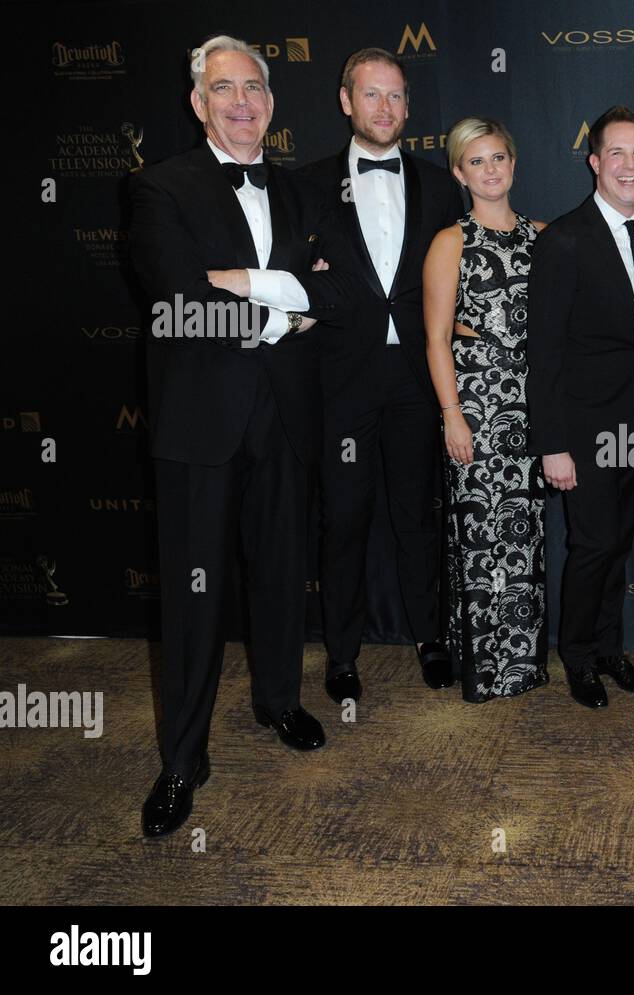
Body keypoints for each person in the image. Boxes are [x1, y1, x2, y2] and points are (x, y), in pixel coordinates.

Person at [130, 36, 359, 838]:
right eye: (223, 88)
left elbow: (348, 292)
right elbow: (178, 300)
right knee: (193, 596)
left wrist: (248, 282)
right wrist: (286, 303)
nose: (241, 101)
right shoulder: (158, 187)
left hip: (287, 412)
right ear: (198, 103)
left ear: (271, 101)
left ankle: (278, 701)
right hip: (201, 419)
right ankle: (182, 758)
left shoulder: (302, 191)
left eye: (254, 87)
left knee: (281, 569)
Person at [297, 48, 463, 706]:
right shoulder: (305, 185)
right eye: (372, 96)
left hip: (418, 375)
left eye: (396, 97)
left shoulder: (439, 186)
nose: (386, 108)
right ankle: (342, 652)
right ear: (346, 101)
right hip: (340, 378)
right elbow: (284, 272)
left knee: (417, 516)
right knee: (343, 518)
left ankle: (430, 635)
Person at [526, 106, 634, 709]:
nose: (630, 166)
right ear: (595, 162)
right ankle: (578, 655)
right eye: (617, 154)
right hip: (583, 428)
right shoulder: (564, 239)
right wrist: (552, 443)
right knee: (592, 545)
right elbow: (544, 352)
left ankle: (609, 649)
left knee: (617, 545)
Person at [423, 118, 548, 702]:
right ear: (458, 172)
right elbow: (437, 338)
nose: (491, 169)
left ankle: (523, 664)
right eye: (477, 161)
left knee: (525, 537)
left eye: (499, 157)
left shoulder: (544, 237)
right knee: (478, 537)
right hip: (475, 404)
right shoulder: (451, 242)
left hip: (532, 407)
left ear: (515, 164)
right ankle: (483, 664)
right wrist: (452, 415)